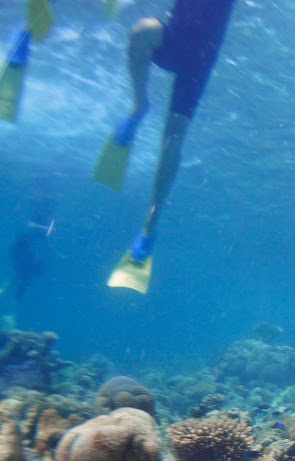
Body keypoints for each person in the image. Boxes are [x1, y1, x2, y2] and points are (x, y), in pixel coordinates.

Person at [100, 0, 239, 291]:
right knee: (142, 30)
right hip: (172, 40)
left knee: (173, 137)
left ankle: (151, 224)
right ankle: (139, 107)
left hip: (200, 59)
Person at [5, 196, 53, 301]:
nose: (38, 260)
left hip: (19, 252)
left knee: (28, 236)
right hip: (19, 253)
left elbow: (22, 285)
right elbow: (23, 286)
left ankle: (39, 210)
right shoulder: (27, 273)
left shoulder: (27, 269)